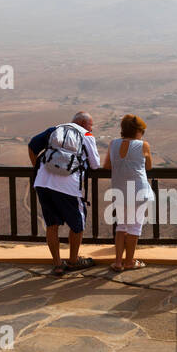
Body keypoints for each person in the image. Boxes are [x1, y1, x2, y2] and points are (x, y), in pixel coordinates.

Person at [27, 111, 101, 276]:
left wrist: (38, 169)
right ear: (83, 123)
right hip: (68, 186)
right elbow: (95, 165)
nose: (92, 128)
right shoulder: (86, 134)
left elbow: (32, 145)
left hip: (43, 183)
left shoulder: (55, 129)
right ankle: (74, 260)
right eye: (91, 125)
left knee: (51, 225)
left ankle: (58, 264)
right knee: (77, 224)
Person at [100, 113, 154, 272]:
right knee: (135, 227)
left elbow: (107, 166)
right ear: (138, 130)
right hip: (138, 191)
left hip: (120, 191)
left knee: (121, 226)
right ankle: (129, 262)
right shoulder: (143, 145)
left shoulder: (113, 144)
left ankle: (118, 262)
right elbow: (149, 167)